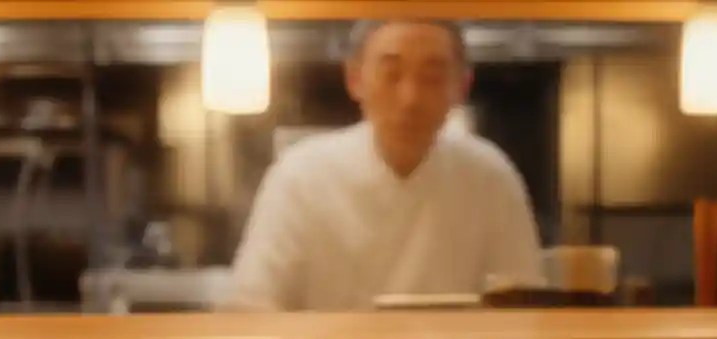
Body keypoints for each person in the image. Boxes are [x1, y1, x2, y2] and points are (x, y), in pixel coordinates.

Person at [224, 20, 544, 311]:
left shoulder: (491, 178)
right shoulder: (301, 176)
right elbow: (252, 307)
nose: (410, 98)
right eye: (391, 75)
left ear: (461, 86)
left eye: (432, 78)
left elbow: (523, 307)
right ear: (355, 79)